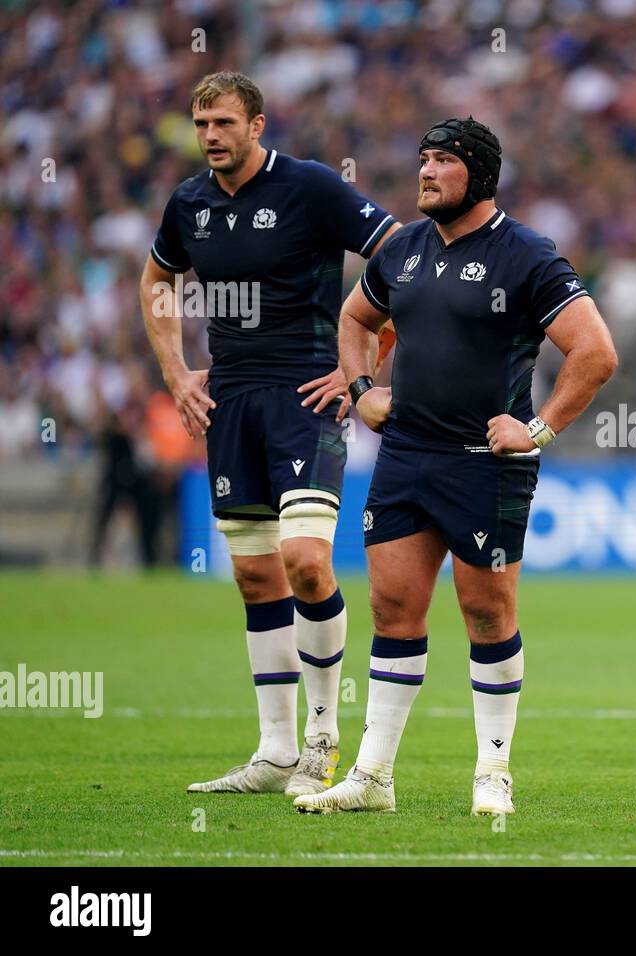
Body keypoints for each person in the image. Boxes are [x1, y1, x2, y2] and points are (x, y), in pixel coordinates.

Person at [293, 117, 617, 815]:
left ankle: (493, 773)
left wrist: (539, 428)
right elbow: (354, 321)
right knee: (393, 607)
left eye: (442, 160)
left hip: (486, 464)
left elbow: (595, 352)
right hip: (408, 455)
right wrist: (359, 390)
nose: (427, 172)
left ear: (480, 174)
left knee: (486, 612)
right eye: (423, 159)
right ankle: (374, 777)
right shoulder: (402, 250)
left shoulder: (526, 255)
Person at [140, 71, 399, 796]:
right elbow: (158, 279)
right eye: (201, 124)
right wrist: (176, 371)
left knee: (307, 562)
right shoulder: (188, 204)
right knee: (256, 575)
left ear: (257, 124)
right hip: (230, 401)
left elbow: (401, 255)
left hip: (306, 396)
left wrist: (364, 366)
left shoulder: (311, 187)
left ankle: (322, 741)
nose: (211, 136)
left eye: (223, 122)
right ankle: (276, 753)